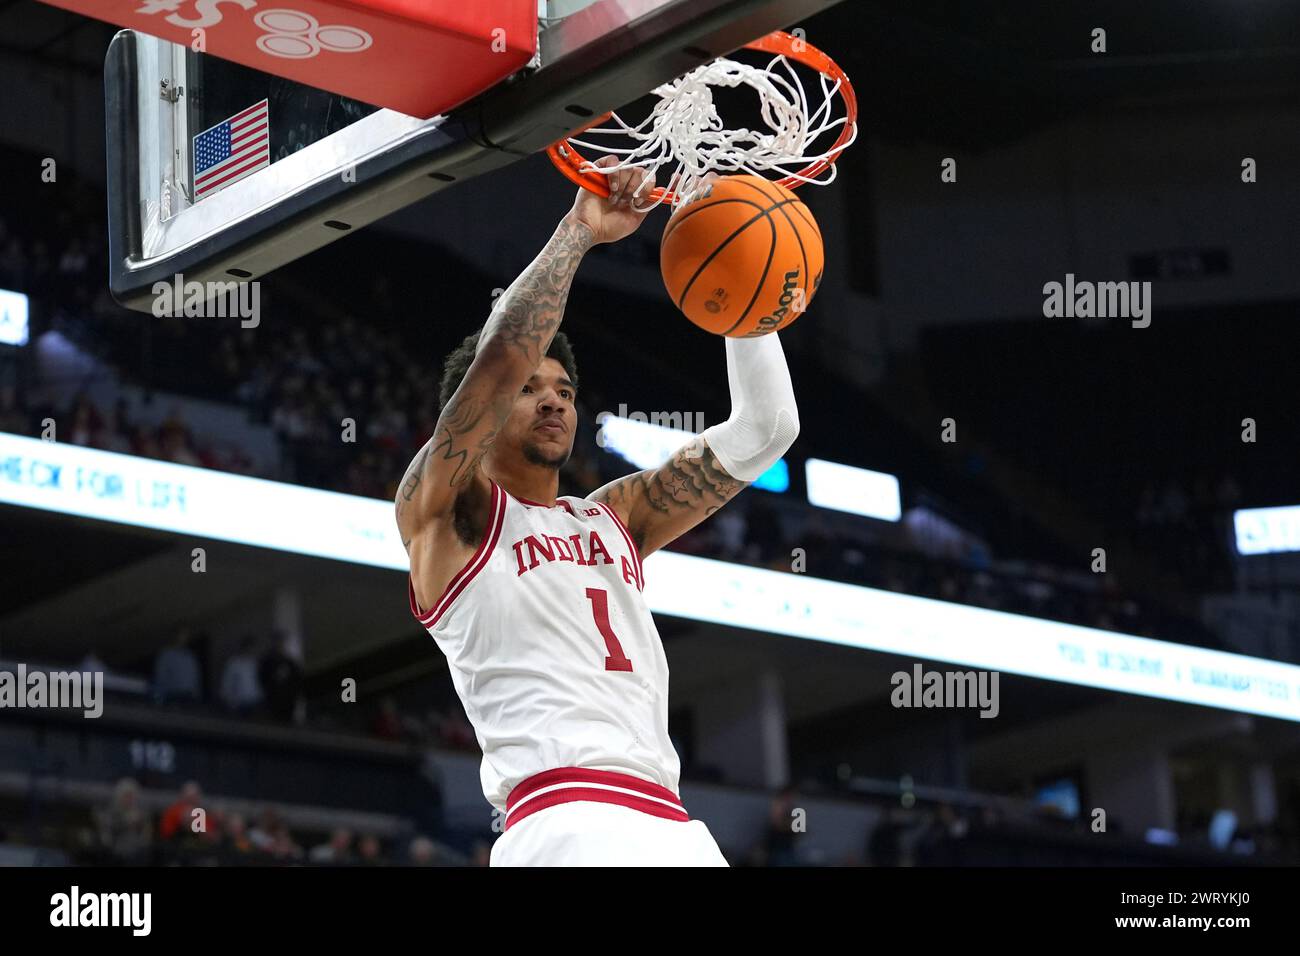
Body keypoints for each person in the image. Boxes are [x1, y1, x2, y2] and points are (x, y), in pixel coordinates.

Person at [394, 160, 800, 866]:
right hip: (563, 820)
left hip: (672, 824)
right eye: (531, 390)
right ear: (482, 412)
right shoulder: (449, 513)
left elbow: (767, 429)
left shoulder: (613, 520)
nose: (552, 399)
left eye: (564, 389)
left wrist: (745, 292)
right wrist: (578, 231)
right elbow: (501, 357)